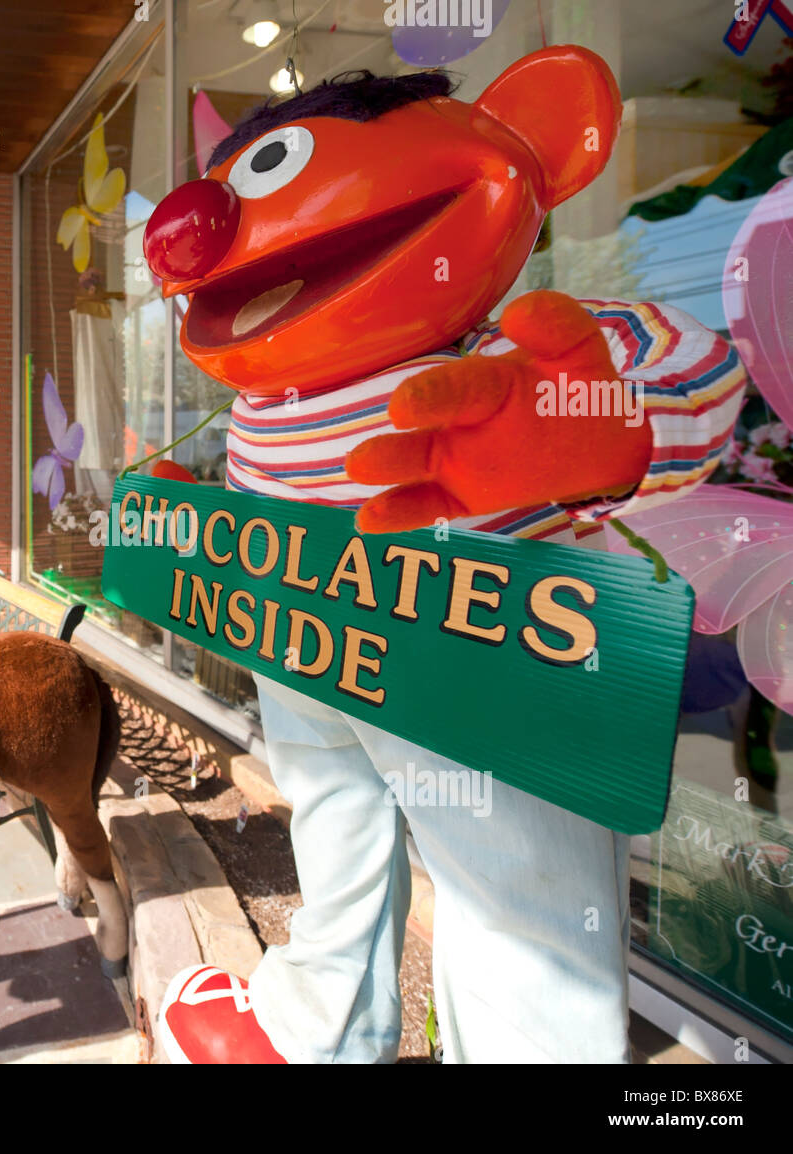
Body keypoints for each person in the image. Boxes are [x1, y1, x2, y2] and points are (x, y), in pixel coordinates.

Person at [143, 48, 745, 1063]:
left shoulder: (497, 354)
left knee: (518, 894)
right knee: (330, 832)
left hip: (482, 657)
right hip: (309, 652)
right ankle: (314, 1024)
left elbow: (694, 369)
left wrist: (602, 421)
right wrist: (196, 527)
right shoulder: (258, 404)